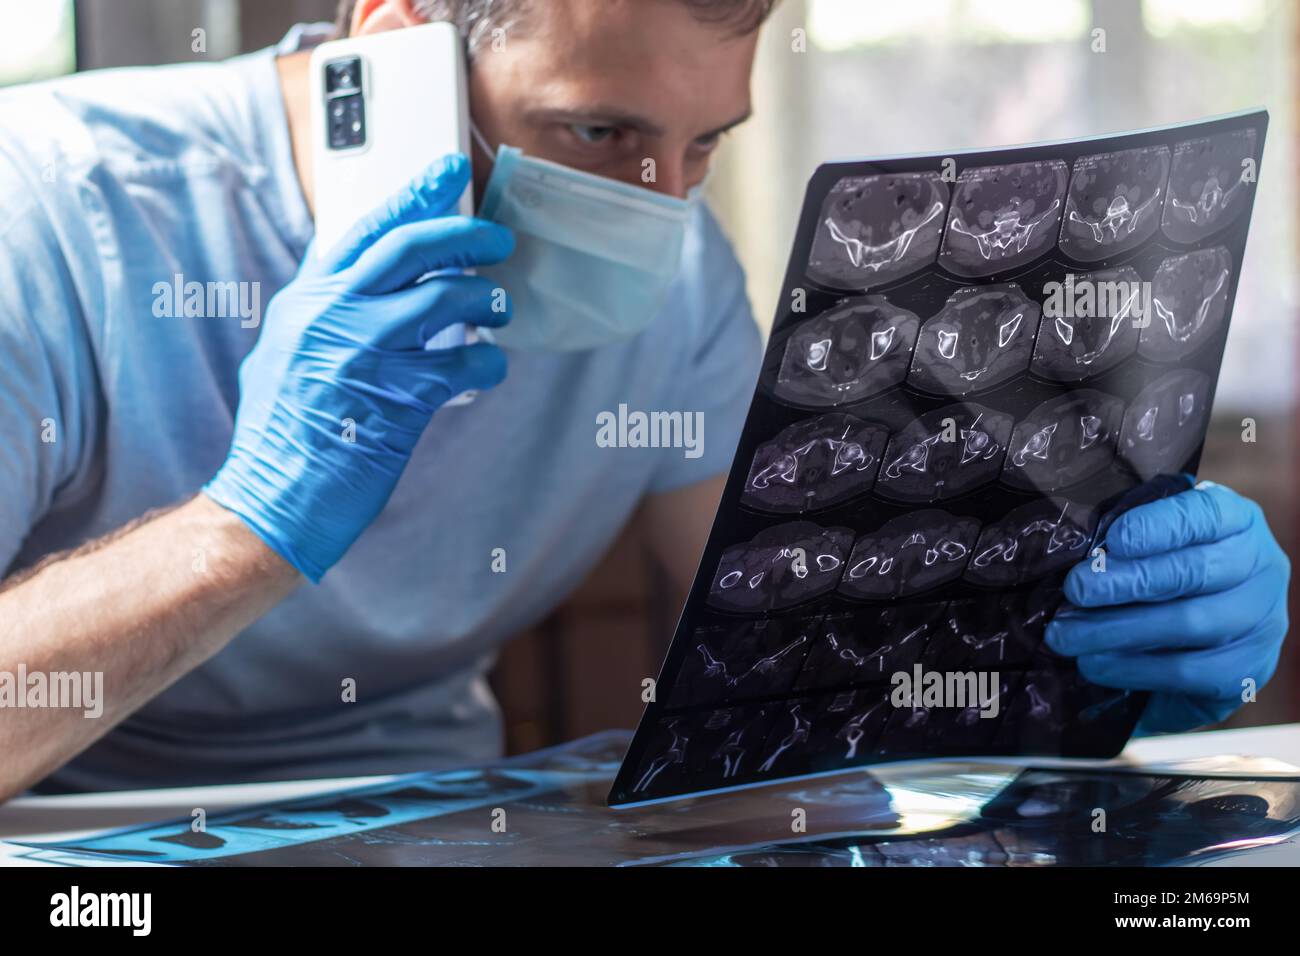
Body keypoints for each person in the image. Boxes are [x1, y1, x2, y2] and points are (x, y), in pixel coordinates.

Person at [0, 0, 1287, 801]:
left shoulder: (675, 270)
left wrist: (1084, 665)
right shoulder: (53, 215)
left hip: (430, 816)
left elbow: (810, 660)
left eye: (705, 142)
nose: (659, 208)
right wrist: (245, 525)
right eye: (596, 135)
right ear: (393, 53)